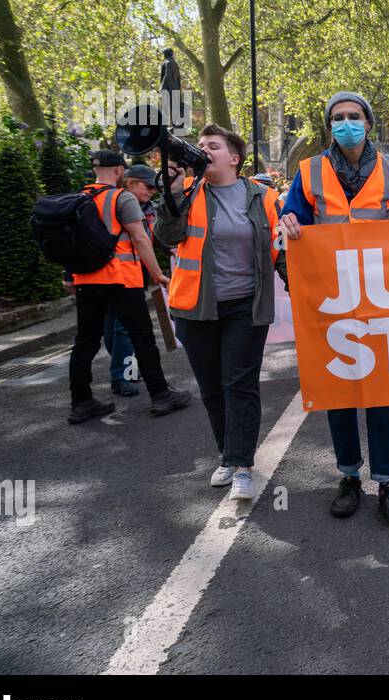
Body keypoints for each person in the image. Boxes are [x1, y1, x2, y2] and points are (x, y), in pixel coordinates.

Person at [279, 91, 389, 527]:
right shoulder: (308, 171)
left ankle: (387, 482)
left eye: (353, 116)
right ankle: (348, 477)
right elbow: (294, 220)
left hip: (382, 298)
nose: (345, 123)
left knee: (383, 394)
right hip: (331, 300)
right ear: (329, 126)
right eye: (337, 118)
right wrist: (288, 223)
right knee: (339, 393)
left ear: (369, 122)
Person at [155, 125, 285, 501]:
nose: (203, 150)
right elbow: (167, 236)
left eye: (213, 146)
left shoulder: (265, 196)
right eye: (200, 146)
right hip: (195, 309)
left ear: (234, 157)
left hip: (245, 306)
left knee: (239, 384)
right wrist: (173, 191)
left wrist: (308, 287)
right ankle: (226, 456)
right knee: (212, 388)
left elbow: (281, 250)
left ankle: (243, 465)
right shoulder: (189, 194)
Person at [67, 150, 192, 424]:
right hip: (122, 279)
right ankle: (160, 395)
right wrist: (157, 274)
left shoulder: (80, 198)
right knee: (143, 338)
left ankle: (81, 403)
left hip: (87, 281)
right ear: (120, 171)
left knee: (85, 342)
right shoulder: (121, 197)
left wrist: (70, 276)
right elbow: (140, 239)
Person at [104, 164, 160, 397]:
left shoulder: (149, 208)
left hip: (132, 277)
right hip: (115, 277)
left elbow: (148, 238)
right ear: (130, 182)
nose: (152, 191)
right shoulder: (119, 203)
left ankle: (124, 373)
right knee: (118, 331)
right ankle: (123, 375)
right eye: (147, 186)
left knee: (118, 331)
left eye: (154, 188)